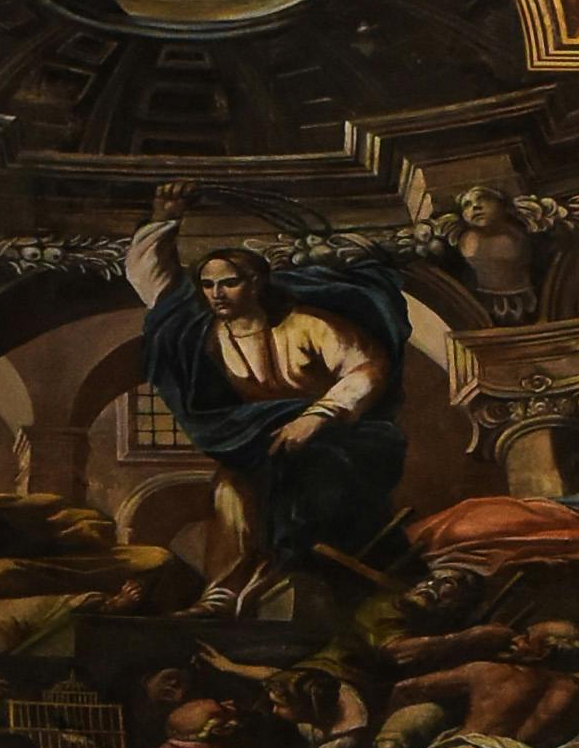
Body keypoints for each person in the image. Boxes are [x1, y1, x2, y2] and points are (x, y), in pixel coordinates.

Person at [126, 217, 415, 595]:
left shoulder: (305, 325)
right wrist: (164, 217)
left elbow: (369, 367)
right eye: (208, 284)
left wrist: (318, 415)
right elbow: (154, 283)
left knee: (312, 483)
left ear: (256, 282)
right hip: (263, 442)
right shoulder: (201, 338)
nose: (217, 293)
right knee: (230, 488)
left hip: (339, 437)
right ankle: (225, 593)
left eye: (229, 283)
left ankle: (300, 575)